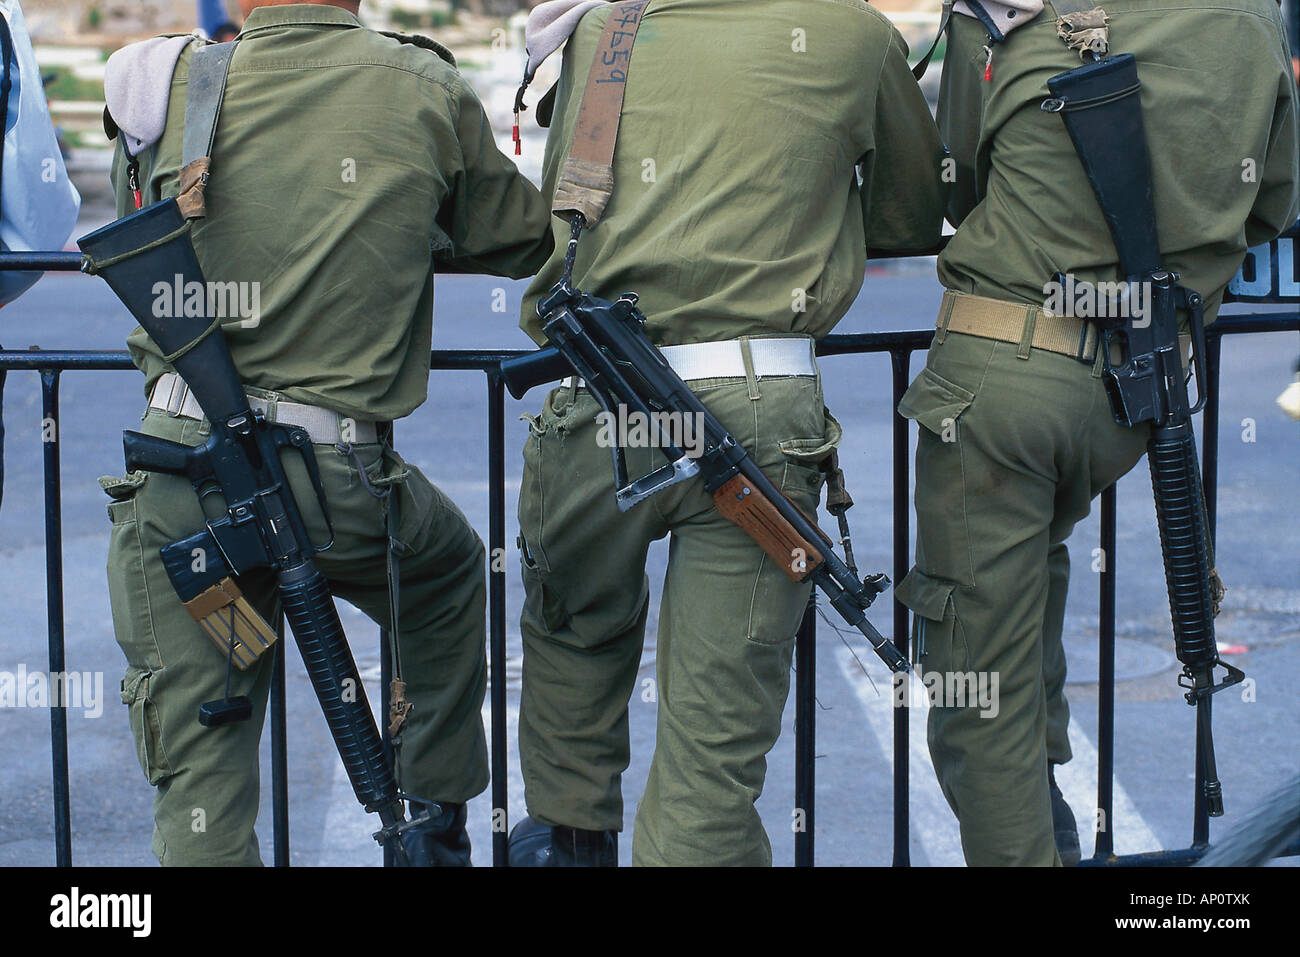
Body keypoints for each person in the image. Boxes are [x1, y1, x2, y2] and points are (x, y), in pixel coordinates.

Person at [99, 0, 552, 865]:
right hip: (334, 483)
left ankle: (236, 683)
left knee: (210, 743)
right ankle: (431, 820)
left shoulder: (167, 82)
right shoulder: (420, 82)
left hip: (186, 491)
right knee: (448, 572)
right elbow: (522, 235)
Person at [508, 0, 946, 866]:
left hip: (600, 393)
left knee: (571, 638)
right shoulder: (856, 34)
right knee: (715, 745)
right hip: (760, 407)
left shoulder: (601, 30)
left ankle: (566, 834)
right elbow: (907, 219)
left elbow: (561, 220)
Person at [896, 0, 1299, 866]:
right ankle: (1057, 843)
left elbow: (965, 182)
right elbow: (1268, 205)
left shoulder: (1004, 12)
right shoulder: (1250, 17)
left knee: (979, 695)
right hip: (1131, 392)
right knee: (1026, 636)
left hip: (1001, 381)